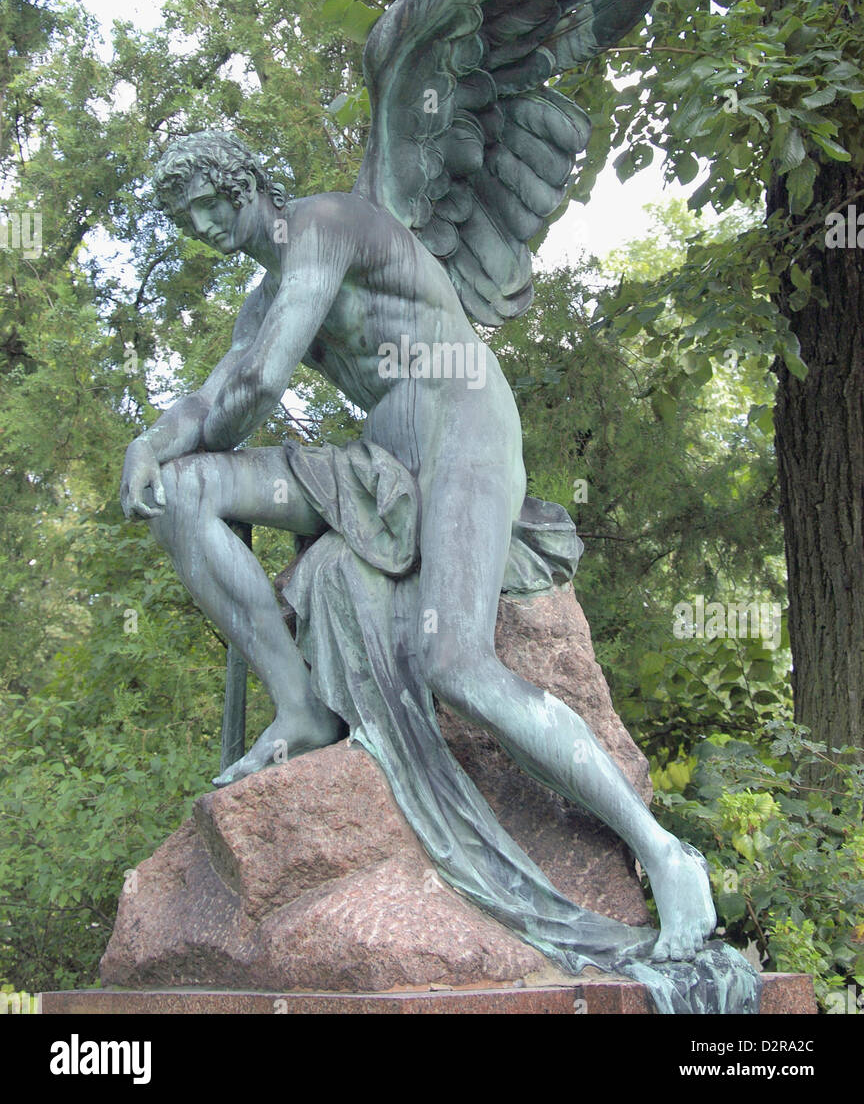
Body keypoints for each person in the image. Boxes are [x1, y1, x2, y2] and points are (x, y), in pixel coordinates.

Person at [121, 131, 716, 963]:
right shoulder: (259, 305)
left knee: (456, 664)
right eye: (187, 219)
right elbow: (212, 395)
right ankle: (300, 709)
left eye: (212, 202)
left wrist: (190, 429)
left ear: (251, 180)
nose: (206, 225)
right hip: (381, 461)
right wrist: (149, 447)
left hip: (461, 428)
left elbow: (253, 388)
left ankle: (663, 852)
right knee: (182, 495)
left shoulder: (326, 226)